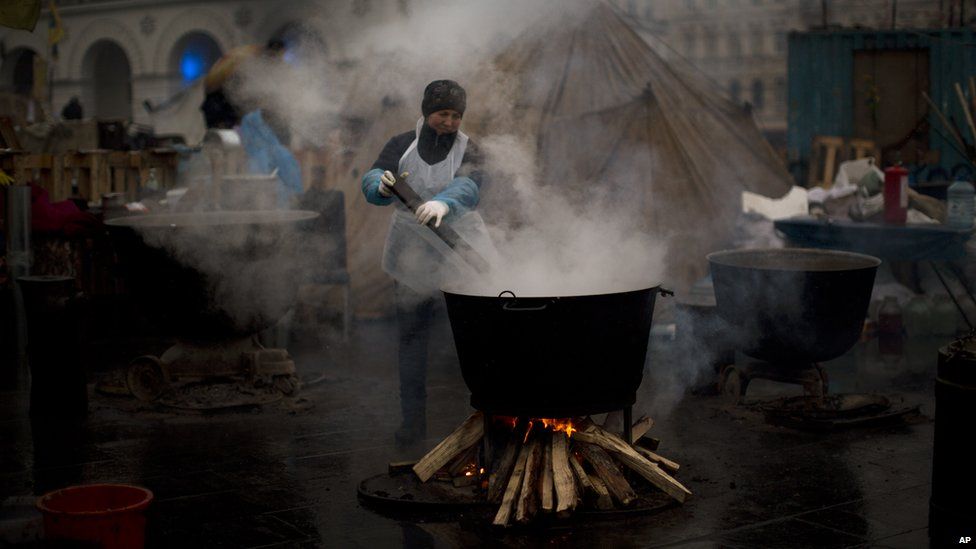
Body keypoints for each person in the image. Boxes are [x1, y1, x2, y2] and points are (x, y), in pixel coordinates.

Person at [361, 79, 491, 446]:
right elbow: (375, 175)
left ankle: (487, 420)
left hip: (458, 249)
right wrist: (378, 185)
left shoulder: (470, 149)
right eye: (442, 114)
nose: (449, 122)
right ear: (426, 112)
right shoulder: (402, 144)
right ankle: (412, 424)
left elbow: (471, 186)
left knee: (474, 339)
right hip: (411, 254)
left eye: (455, 116)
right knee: (412, 340)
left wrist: (444, 203)